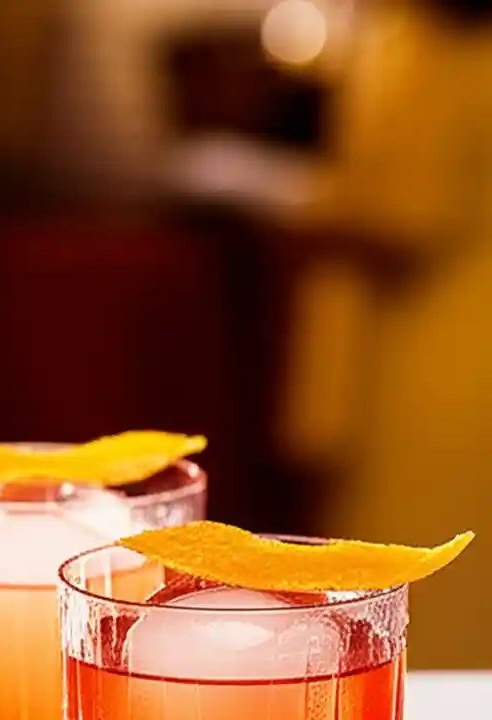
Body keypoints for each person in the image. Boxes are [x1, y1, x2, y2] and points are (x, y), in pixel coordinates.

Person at [279, 0, 492, 667]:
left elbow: (407, 226)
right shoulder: (418, 39)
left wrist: (300, 218)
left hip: (430, 355)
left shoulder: (437, 52)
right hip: (446, 342)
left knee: (418, 572)